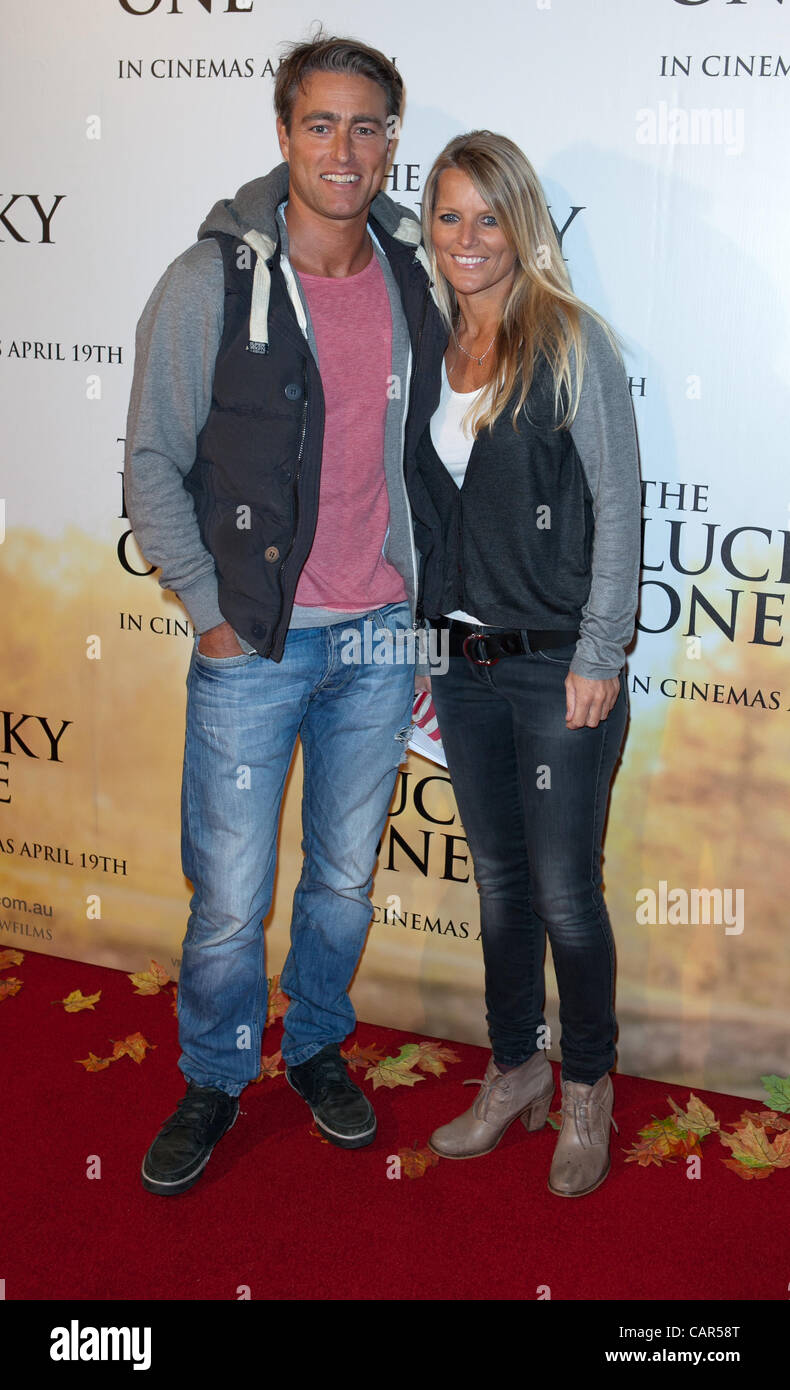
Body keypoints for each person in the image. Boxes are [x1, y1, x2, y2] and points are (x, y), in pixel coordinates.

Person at [124, 34, 441, 1194]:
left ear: (391, 141)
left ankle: (312, 1047)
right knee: (228, 903)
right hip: (253, 646)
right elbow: (153, 461)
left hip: (378, 639)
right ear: (282, 133)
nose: (344, 150)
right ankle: (212, 1075)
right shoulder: (211, 279)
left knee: (344, 883)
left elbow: (434, 463)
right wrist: (209, 610)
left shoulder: (416, 279)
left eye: (368, 127)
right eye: (321, 125)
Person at [406, 131, 641, 1197]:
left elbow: (619, 505)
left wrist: (599, 650)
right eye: (447, 216)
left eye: (485, 216)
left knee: (561, 891)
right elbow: (423, 517)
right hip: (459, 666)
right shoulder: (430, 350)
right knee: (499, 886)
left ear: (520, 223)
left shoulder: (570, 343)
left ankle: (586, 1083)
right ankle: (514, 1070)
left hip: (556, 670)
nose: (466, 238)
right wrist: (422, 642)